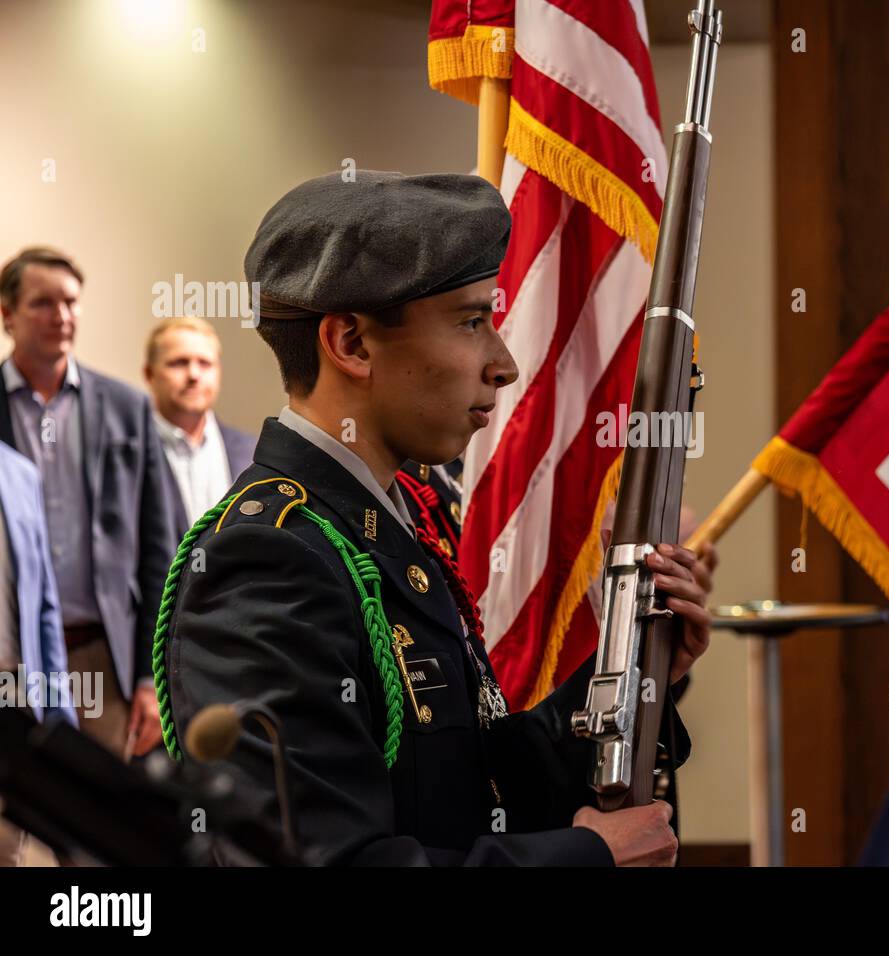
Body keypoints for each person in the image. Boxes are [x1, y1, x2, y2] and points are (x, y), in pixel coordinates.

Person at [155, 171, 715, 866]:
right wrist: (582, 860)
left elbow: (474, 783)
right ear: (352, 345)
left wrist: (637, 662)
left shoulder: (391, 521)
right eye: (472, 321)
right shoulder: (268, 559)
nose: (503, 364)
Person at [0, 246, 172, 758]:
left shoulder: (126, 407)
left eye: (71, 303)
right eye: (43, 304)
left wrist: (149, 676)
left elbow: (157, 551)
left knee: (100, 823)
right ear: (7, 314)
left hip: (104, 655)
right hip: (15, 653)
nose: (62, 317)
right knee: (14, 828)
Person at [0, 440, 78, 866]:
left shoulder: (20, 474)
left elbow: (45, 608)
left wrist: (59, 717)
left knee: (11, 849)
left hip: (13, 691)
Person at [142, 315, 255, 543]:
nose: (194, 375)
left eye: (205, 363)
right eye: (179, 362)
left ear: (218, 372)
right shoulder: (129, 456)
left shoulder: (252, 453)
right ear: (150, 374)